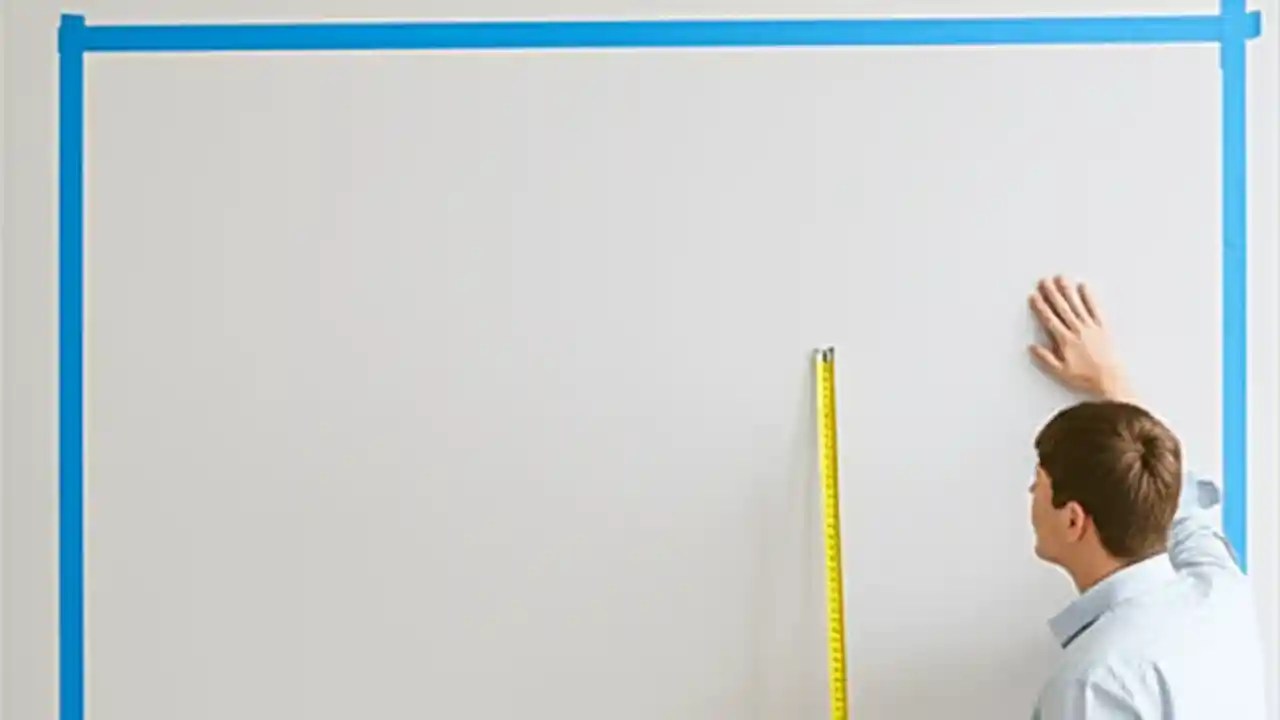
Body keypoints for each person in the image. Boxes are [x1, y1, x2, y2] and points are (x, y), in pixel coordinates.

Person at [1025, 276, 1267, 719]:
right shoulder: (1219, 594)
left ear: (1074, 519)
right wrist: (1109, 379)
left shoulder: (1091, 685)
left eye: (1038, 484)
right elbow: (1179, 499)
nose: (1029, 495)